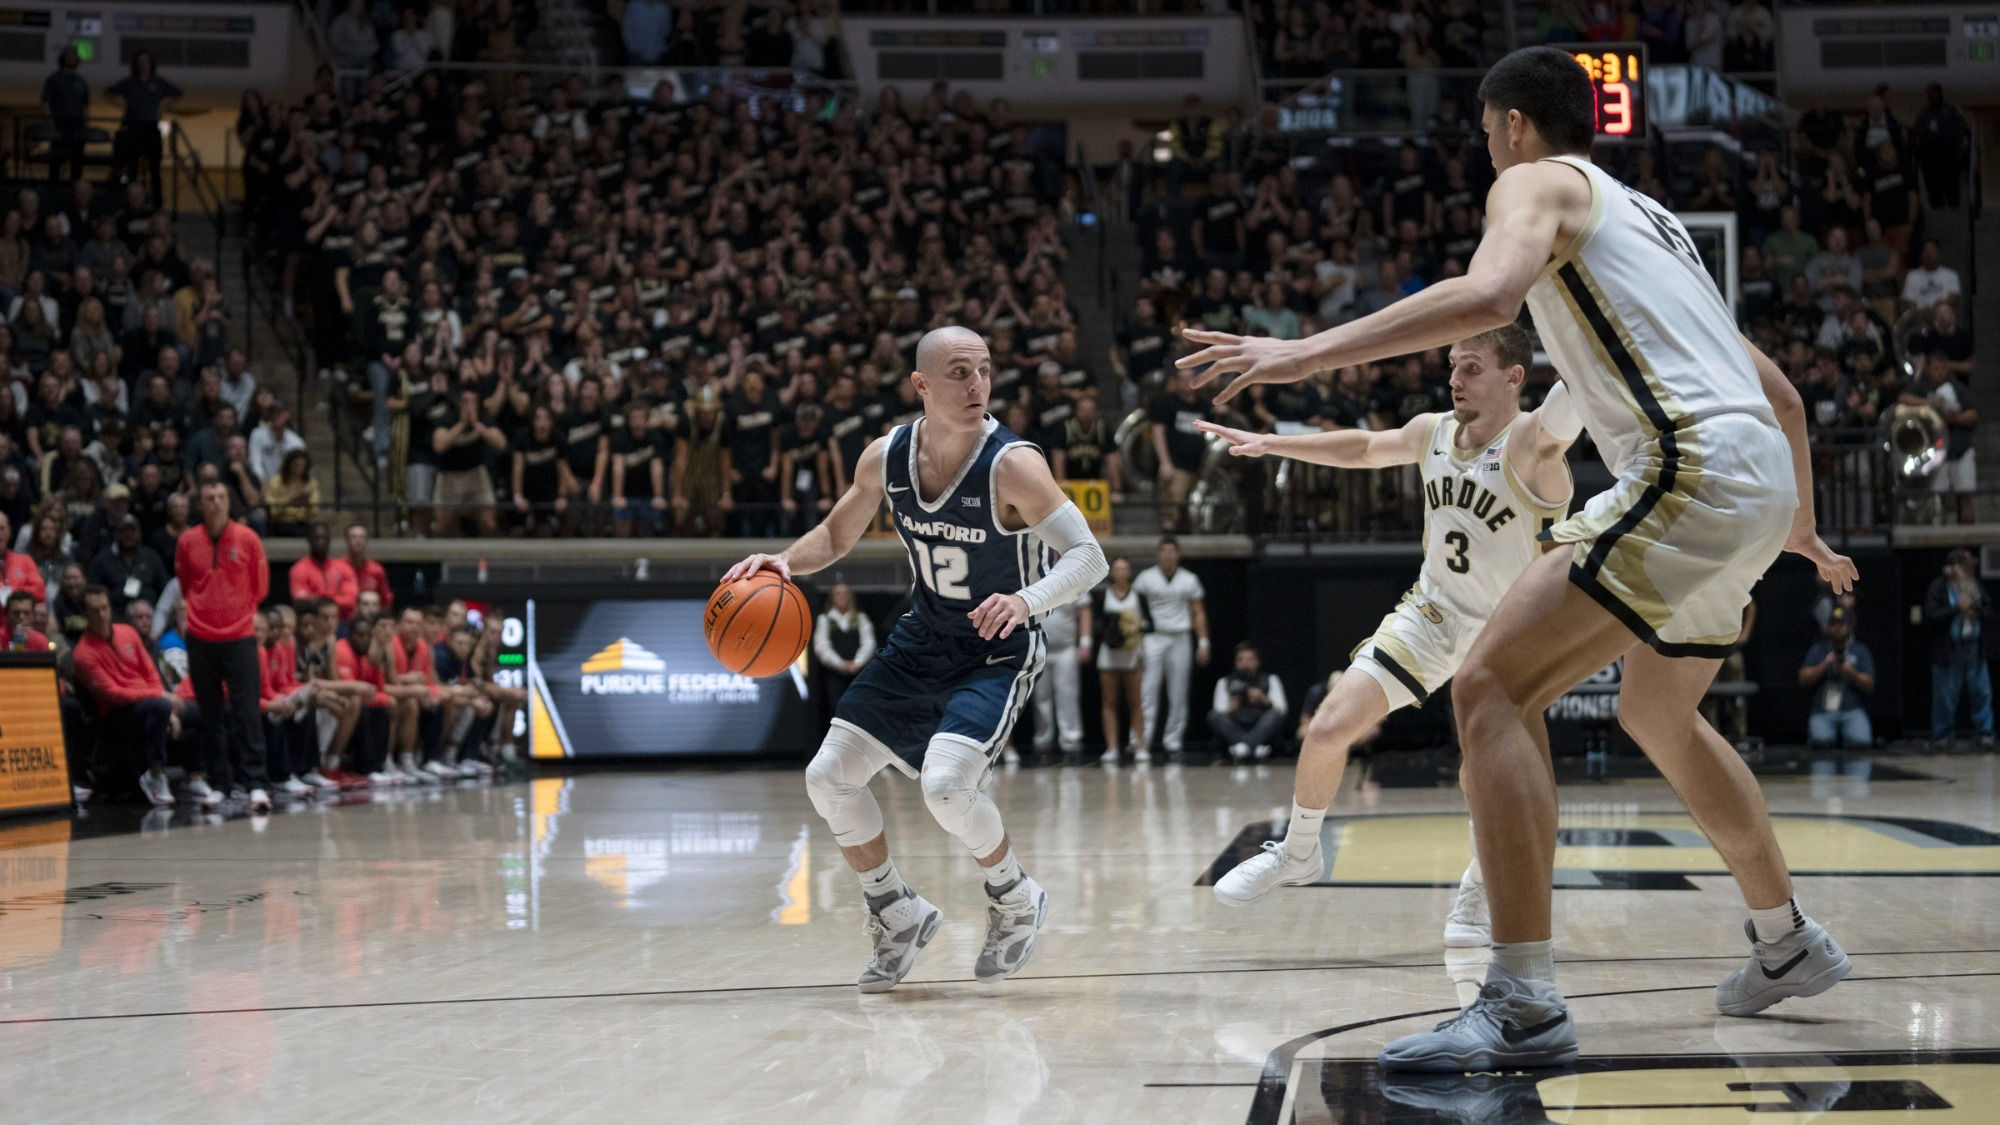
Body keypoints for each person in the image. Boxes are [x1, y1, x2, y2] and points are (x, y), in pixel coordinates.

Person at [1179, 46, 1858, 1071]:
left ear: (1508, 126)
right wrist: (1796, 525)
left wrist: (1298, 353)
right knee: (1655, 715)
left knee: (1488, 688)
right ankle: (1783, 941)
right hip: (1750, 484)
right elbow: (1787, 398)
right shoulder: (1658, 231)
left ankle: (1520, 998)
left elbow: (1488, 292)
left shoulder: (1534, 180)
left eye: (1484, 134)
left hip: (1689, 469)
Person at [722, 326, 1107, 993]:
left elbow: (1088, 557)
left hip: (995, 649)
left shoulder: (1012, 463)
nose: (977, 386)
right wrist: (784, 560)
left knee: (945, 787)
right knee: (828, 777)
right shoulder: (886, 456)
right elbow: (838, 533)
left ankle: (1015, 895)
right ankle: (897, 910)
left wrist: (1024, 600)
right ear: (921, 386)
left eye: (985, 370)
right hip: (921, 639)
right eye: (959, 373)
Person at [1200, 324, 1574, 921]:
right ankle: (1298, 854)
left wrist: (1598, 321)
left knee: (1482, 776)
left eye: (1471, 367)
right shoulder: (1434, 432)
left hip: (1508, 633)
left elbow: (1579, 394)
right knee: (1325, 729)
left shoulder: (1533, 441)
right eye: (1451, 364)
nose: (1454, 379)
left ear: (1513, 377)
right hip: (1431, 613)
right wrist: (1273, 444)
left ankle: (1483, 881)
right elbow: (1366, 449)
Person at [176, 478, 271, 814]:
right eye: (208, 497)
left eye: (220, 496)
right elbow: (187, 584)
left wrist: (237, 613)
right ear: (200, 504)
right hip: (200, 637)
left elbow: (260, 588)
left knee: (247, 712)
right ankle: (220, 784)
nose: (215, 502)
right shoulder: (187, 541)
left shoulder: (248, 539)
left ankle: (257, 783)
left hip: (240, 637)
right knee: (210, 714)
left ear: (228, 503)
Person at [72, 584, 189, 805]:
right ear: (84, 613)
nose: (100, 614)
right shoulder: (83, 654)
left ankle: (197, 777)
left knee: (195, 712)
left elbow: (150, 672)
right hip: (114, 715)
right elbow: (114, 694)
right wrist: (161, 697)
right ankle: (155, 773)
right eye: (94, 610)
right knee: (160, 707)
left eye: (104, 608)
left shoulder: (128, 632)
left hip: (148, 701)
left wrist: (164, 700)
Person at [1132, 535, 1209, 761]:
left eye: (1171, 550)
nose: (1167, 554)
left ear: (1178, 554)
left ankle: (1173, 742)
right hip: (1154, 638)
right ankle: (1141, 743)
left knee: (1178, 693)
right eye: (1163, 550)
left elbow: (1198, 612)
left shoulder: (1189, 580)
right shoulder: (1145, 579)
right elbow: (1134, 611)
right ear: (1158, 554)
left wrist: (1203, 642)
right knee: (1148, 691)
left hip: (1180, 638)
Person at [1925, 547, 1995, 747]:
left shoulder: (1975, 585)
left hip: (1973, 645)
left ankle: (1985, 732)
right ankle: (1942, 734)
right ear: (1955, 568)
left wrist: (1977, 610)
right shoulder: (1939, 587)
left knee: (1981, 691)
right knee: (1945, 695)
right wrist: (1957, 609)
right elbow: (1931, 616)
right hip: (1950, 649)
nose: (1970, 570)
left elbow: (1988, 609)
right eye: (1966, 566)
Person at [1093, 557, 1147, 764]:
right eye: (1117, 569)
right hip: (1108, 654)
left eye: (1125, 569)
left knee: (1135, 702)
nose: (1121, 573)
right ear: (1111, 572)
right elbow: (1097, 624)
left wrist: (1132, 629)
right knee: (1109, 702)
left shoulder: (1138, 596)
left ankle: (1141, 745)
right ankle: (1112, 747)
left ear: (1130, 572)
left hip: (1132, 654)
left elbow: (1148, 624)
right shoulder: (1102, 595)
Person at [105, 51, 180, 199]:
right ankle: (130, 200)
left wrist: (162, 108)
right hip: (133, 128)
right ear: (136, 65)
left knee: (154, 169)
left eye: (146, 61)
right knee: (132, 167)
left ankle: (157, 202)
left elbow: (177, 93)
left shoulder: (158, 83)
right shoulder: (129, 83)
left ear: (151, 64)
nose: (143, 64)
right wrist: (122, 106)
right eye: (140, 61)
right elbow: (109, 92)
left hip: (151, 128)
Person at [1027, 585, 1090, 761]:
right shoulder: (1033, 577)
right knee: (1041, 697)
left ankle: (1071, 743)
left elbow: (1084, 609)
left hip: (1066, 648)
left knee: (1068, 696)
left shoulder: (1072, 576)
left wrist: (1085, 642)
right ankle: (1043, 743)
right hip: (1039, 648)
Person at [1799, 606, 1874, 748]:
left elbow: (1869, 684)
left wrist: (1852, 673)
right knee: (1821, 742)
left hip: (1851, 708)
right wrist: (1824, 665)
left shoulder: (1859, 650)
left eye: (1841, 624)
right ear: (1828, 626)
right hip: (1823, 709)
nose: (1837, 628)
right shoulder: (1819, 649)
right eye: (1833, 624)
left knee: (1861, 742)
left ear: (1849, 627)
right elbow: (1802, 678)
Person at [1207, 641, 1290, 761]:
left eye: (1250, 659)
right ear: (1235, 662)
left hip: (1261, 725)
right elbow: (1218, 711)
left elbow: (1282, 710)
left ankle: (1242, 748)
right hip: (1234, 725)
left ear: (1257, 661)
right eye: (1240, 660)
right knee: (1213, 715)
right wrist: (1230, 708)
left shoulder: (1271, 679)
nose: (1245, 664)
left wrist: (1264, 700)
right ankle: (1254, 748)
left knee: (1275, 714)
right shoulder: (1224, 682)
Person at [810, 582, 875, 718]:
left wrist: (857, 662)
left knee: (859, 708)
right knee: (836, 709)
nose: (842, 597)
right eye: (838, 594)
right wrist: (839, 664)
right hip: (835, 674)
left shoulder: (860, 618)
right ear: (832, 597)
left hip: (858, 672)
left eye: (846, 593)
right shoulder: (825, 619)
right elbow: (821, 646)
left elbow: (869, 643)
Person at [40, 47, 89, 185]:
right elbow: (46, 102)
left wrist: (85, 124)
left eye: (74, 55)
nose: (72, 57)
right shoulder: (53, 79)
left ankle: (75, 188)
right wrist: (50, 121)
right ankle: (54, 189)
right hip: (59, 125)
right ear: (63, 57)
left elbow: (85, 106)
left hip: (77, 127)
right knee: (56, 161)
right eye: (69, 55)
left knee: (77, 162)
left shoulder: (81, 81)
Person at [328, 523, 392, 621]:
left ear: (366, 541)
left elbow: (386, 599)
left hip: (371, 622)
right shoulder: (334, 568)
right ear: (346, 541)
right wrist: (350, 601)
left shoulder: (376, 570)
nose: (358, 540)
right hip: (343, 622)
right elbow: (329, 599)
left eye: (362, 537)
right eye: (353, 537)